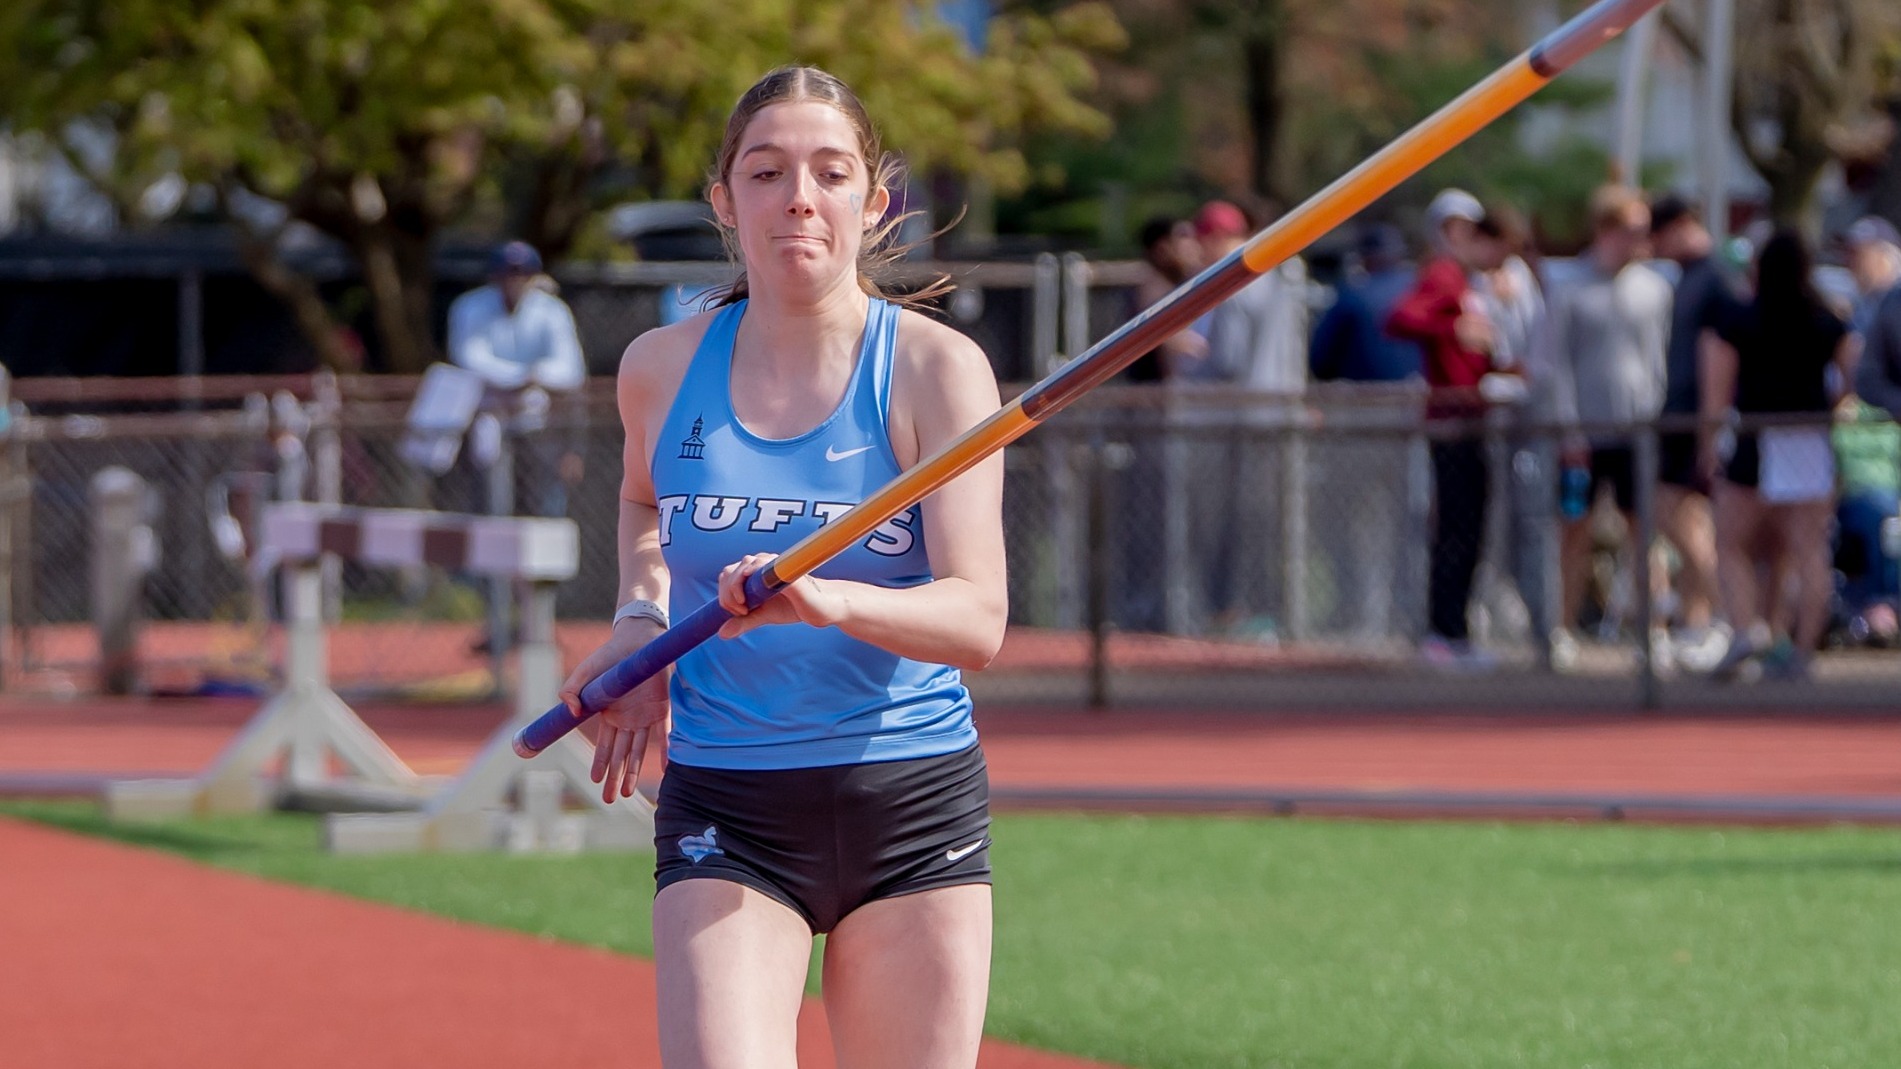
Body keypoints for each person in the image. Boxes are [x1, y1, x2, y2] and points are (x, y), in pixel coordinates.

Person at [556, 66, 1007, 1068]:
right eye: (766, 173)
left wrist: (825, 599)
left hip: (908, 803)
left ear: (873, 200)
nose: (799, 197)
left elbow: (977, 620)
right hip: (728, 804)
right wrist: (641, 621)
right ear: (724, 200)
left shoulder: (935, 369)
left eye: (830, 172)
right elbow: (644, 503)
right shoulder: (660, 367)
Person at [1703, 229, 1855, 681]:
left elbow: (1716, 393)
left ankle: (1744, 628)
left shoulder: (1740, 320)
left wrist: (1709, 445)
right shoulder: (1827, 321)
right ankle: (1802, 646)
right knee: (1808, 549)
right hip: (1807, 439)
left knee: (1731, 542)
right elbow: (1849, 381)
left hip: (1755, 436)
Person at [1537, 185, 1672, 660]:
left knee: (1645, 532)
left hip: (1638, 432)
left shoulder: (1655, 290)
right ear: (1606, 229)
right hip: (1583, 437)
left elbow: (1658, 360)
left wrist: (1656, 416)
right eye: (1632, 229)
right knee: (1574, 531)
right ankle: (1562, 630)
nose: (1642, 239)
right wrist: (1568, 429)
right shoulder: (1570, 289)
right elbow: (1555, 365)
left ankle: (1653, 631)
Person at [1387, 188, 1511, 669]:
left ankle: (1455, 629)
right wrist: (1451, 330)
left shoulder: (1472, 280)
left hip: (1473, 416)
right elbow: (1400, 317)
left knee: (1470, 526)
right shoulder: (1444, 273)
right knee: (1457, 528)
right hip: (1452, 420)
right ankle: (1445, 631)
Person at [1646, 194, 1739, 670]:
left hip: (1693, 420)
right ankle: (1698, 622)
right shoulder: (1690, 277)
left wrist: (1709, 431)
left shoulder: (1715, 279)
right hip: (1680, 416)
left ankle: (1728, 616)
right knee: (1687, 522)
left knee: (1675, 516)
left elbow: (1720, 358)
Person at [446, 240, 589, 518]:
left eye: (523, 273)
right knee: (491, 504)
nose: (515, 280)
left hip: (539, 425)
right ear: (494, 276)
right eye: (508, 273)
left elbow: (570, 369)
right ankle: (490, 540)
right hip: (487, 420)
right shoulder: (470, 306)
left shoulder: (552, 310)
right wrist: (520, 377)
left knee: (543, 506)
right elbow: (469, 359)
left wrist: (536, 377)